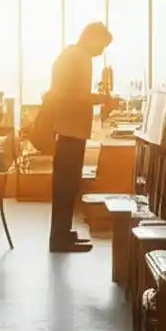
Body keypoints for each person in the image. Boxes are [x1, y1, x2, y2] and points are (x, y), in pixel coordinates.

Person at [40, 22, 114, 253]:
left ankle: (63, 233)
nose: (101, 51)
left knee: (69, 186)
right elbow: (68, 95)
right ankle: (59, 238)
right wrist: (100, 99)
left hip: (70, 130)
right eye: (102, 45)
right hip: (69, 130)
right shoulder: (77, 58)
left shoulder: (73, 56)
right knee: (66, 186)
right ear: (92, 38)